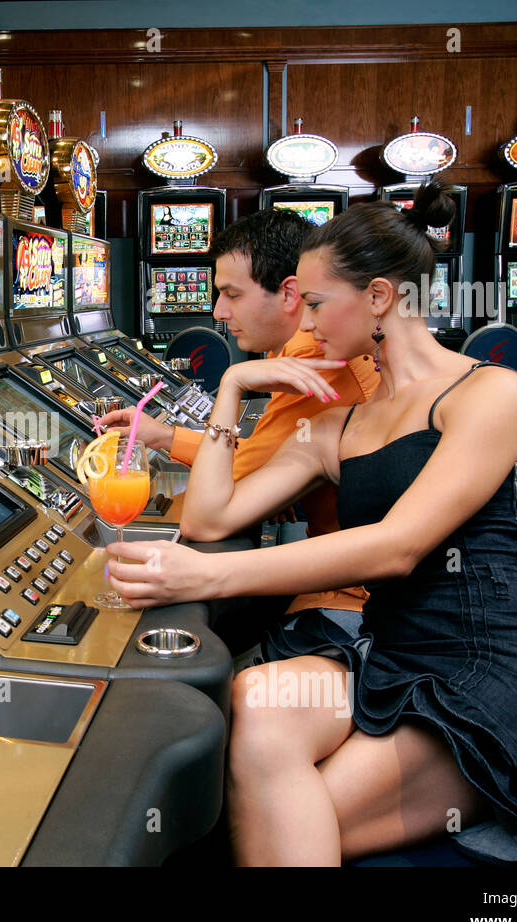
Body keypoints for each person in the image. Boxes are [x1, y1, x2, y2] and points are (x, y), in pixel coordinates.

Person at [104, 183, 517, 865]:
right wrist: (234, 387)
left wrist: (210, 572)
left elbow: (398, 547)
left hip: (493, 666)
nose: (307, 321)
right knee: (257, 696)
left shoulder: (491, 393)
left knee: (258, 823)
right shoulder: (339, 424)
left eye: (317, 302)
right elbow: (214, 515)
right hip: (393, 651)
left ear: (381, 299)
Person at [100, 209, 378, 642]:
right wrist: (165, 436)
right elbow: (255, 460)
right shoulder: (293, 350)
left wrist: (229, 387)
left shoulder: (313, 359)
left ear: (289, 294)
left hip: (354, 597)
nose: (217, 311)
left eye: (231, 294)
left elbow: (214, 506)